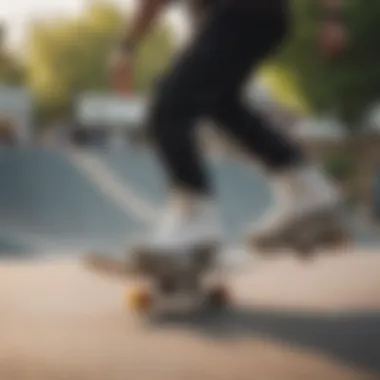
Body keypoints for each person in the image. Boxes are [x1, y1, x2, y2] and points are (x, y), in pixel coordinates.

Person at [110, 0, 349, 263]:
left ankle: (195, 221)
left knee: (169, 108)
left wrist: (126, 48)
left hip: (237, 14)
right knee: (222, 104)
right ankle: (308, 189)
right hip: (261, 18)